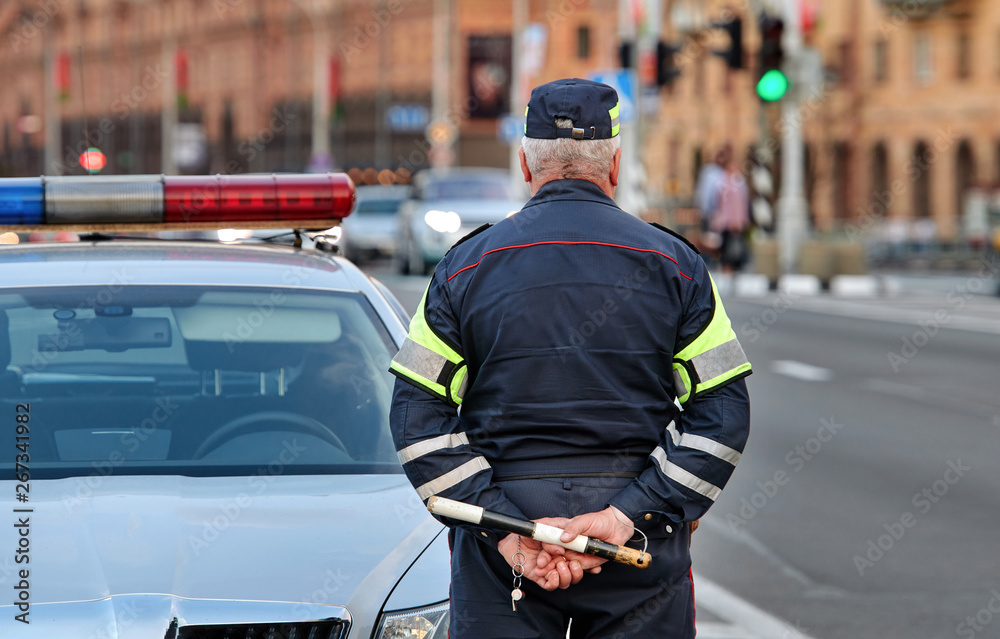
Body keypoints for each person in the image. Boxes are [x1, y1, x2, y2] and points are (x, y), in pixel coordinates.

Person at [389, 78, 752, 638]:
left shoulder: (462, 269)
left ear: (525, 165)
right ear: (614, 164)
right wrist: (627, 516)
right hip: (641, 547)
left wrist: (508, 533)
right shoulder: (677, 266)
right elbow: (722, 416)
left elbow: (417, 420)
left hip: (500, 550)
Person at [711, 154, 751, 274]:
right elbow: (719, 203)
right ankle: (726, 271)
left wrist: (739, 221)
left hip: (735, 223)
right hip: (725, 222)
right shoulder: (722, 181)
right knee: (726, 249)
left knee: (734, 250)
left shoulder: (738, 181)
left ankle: (733, 271)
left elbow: (741, 203)